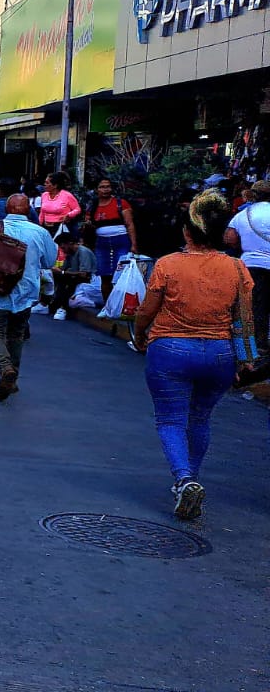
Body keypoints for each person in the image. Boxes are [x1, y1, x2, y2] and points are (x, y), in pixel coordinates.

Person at [133, 190, 252, 520]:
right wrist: (246, 359)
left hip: (170, 350)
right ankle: (190, 481)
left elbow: (147, 310)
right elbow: (245, 319)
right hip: (220, 355)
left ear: (187, 231)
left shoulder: (168, 264)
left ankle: (184, 480)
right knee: (199, 418)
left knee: (171, 420)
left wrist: (140, 334)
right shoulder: (237, 268)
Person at [0, 194, 59, 401]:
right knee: (16, 334)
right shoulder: (40, 232)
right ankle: (14, 378)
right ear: (28, 210)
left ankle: (5, 369)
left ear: (7, 209)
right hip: (26, 292)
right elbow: (48, 262)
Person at [224, 179, 270, 358]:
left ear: (254, 195)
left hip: (252, 266)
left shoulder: (244, 214)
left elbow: (230, 238)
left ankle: (259, 345)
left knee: (255, 306)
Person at [86, 178, 139, 303]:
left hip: (121, 242)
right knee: (105, 276)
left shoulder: (121, 203)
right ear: (96, 189)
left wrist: (134, 245)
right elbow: (89, 224)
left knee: (120, 275)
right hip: (102, 244)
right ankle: (108, 306)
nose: (105, 189)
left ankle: (120, 306)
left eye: (108, 186)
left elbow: (130, 224)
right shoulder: (93, 206)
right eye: (102, 187)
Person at [50, 232, 96, 321]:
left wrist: (63, 272)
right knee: (57, 277)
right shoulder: (70, 254)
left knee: (68, 281)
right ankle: (54, 303)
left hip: (88, 280)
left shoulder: (83, 252)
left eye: (63, 247)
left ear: (70, 243)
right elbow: (64, 268)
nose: (63, 250)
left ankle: (63, 307)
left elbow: (84, 274)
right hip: (75, 276)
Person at [38, 170, 81, 237]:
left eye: (47, 183)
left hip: (61, 227)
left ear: (55, 185)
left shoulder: (67, 195)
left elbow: (77, 209)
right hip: (46, 227)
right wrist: (39, 225)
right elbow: (42, 212)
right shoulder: (44, 195)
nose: (44, 185)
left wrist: (69, 215)